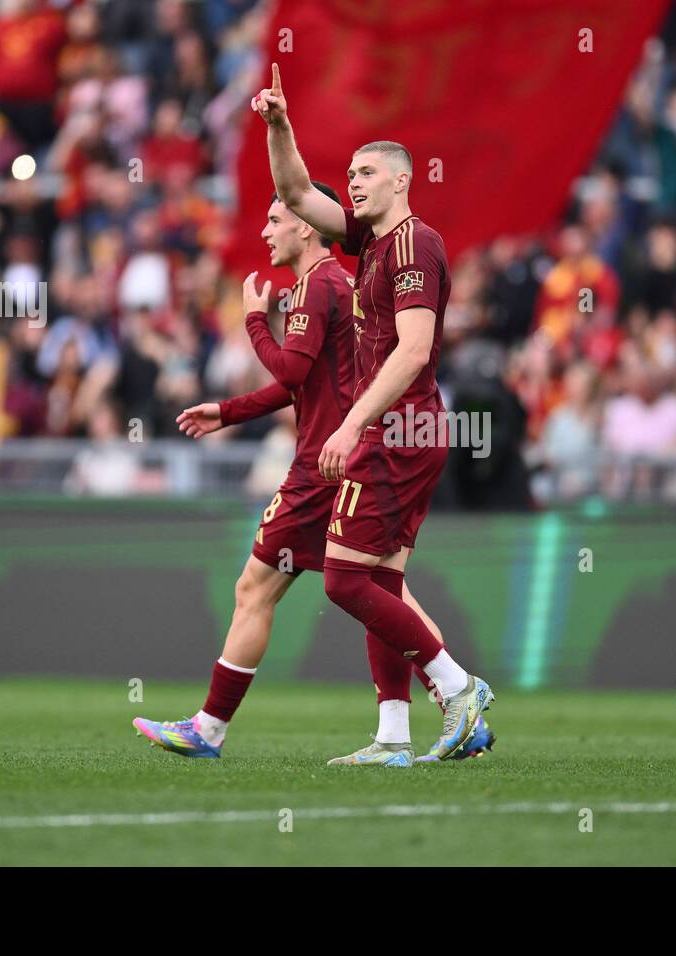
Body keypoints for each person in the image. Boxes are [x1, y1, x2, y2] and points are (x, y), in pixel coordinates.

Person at [132, 183, 495, 761]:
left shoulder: (317, 285)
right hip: (355, 450)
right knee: (381, 589)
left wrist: (253, 320)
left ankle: (212, 728)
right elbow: (301, 382)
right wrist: (228, 412)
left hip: (324, 463)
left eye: (276, 219)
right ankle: (406, 730)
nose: (265, 230)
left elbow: (292, 365)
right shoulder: (338, 284)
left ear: (305, 225)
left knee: (268, 587)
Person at [252, 64, 496, 766]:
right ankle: (394, 738)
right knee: (379, 581)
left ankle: (458, 687)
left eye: (365, 173)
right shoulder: (369, 241)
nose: (352, 182)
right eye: (351, 173)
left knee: (344, 579)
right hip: (396, 430)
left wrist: (352, 421)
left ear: (400, 181)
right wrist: (280, 126)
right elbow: (297, 191)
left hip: (401, 431)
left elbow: (415, 349)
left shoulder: (416, 244)